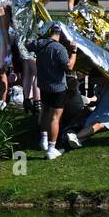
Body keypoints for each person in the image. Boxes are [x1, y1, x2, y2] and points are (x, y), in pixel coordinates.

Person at [35, 22, 76, 159]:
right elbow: (69, 67)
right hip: (57, 88)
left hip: (43, 85)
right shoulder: (59, 48)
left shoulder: (40, 44)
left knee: (45, 111)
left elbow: (27, 44)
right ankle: (51, 149)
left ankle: (43, 140)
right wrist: (74, 51)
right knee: (55, 118)